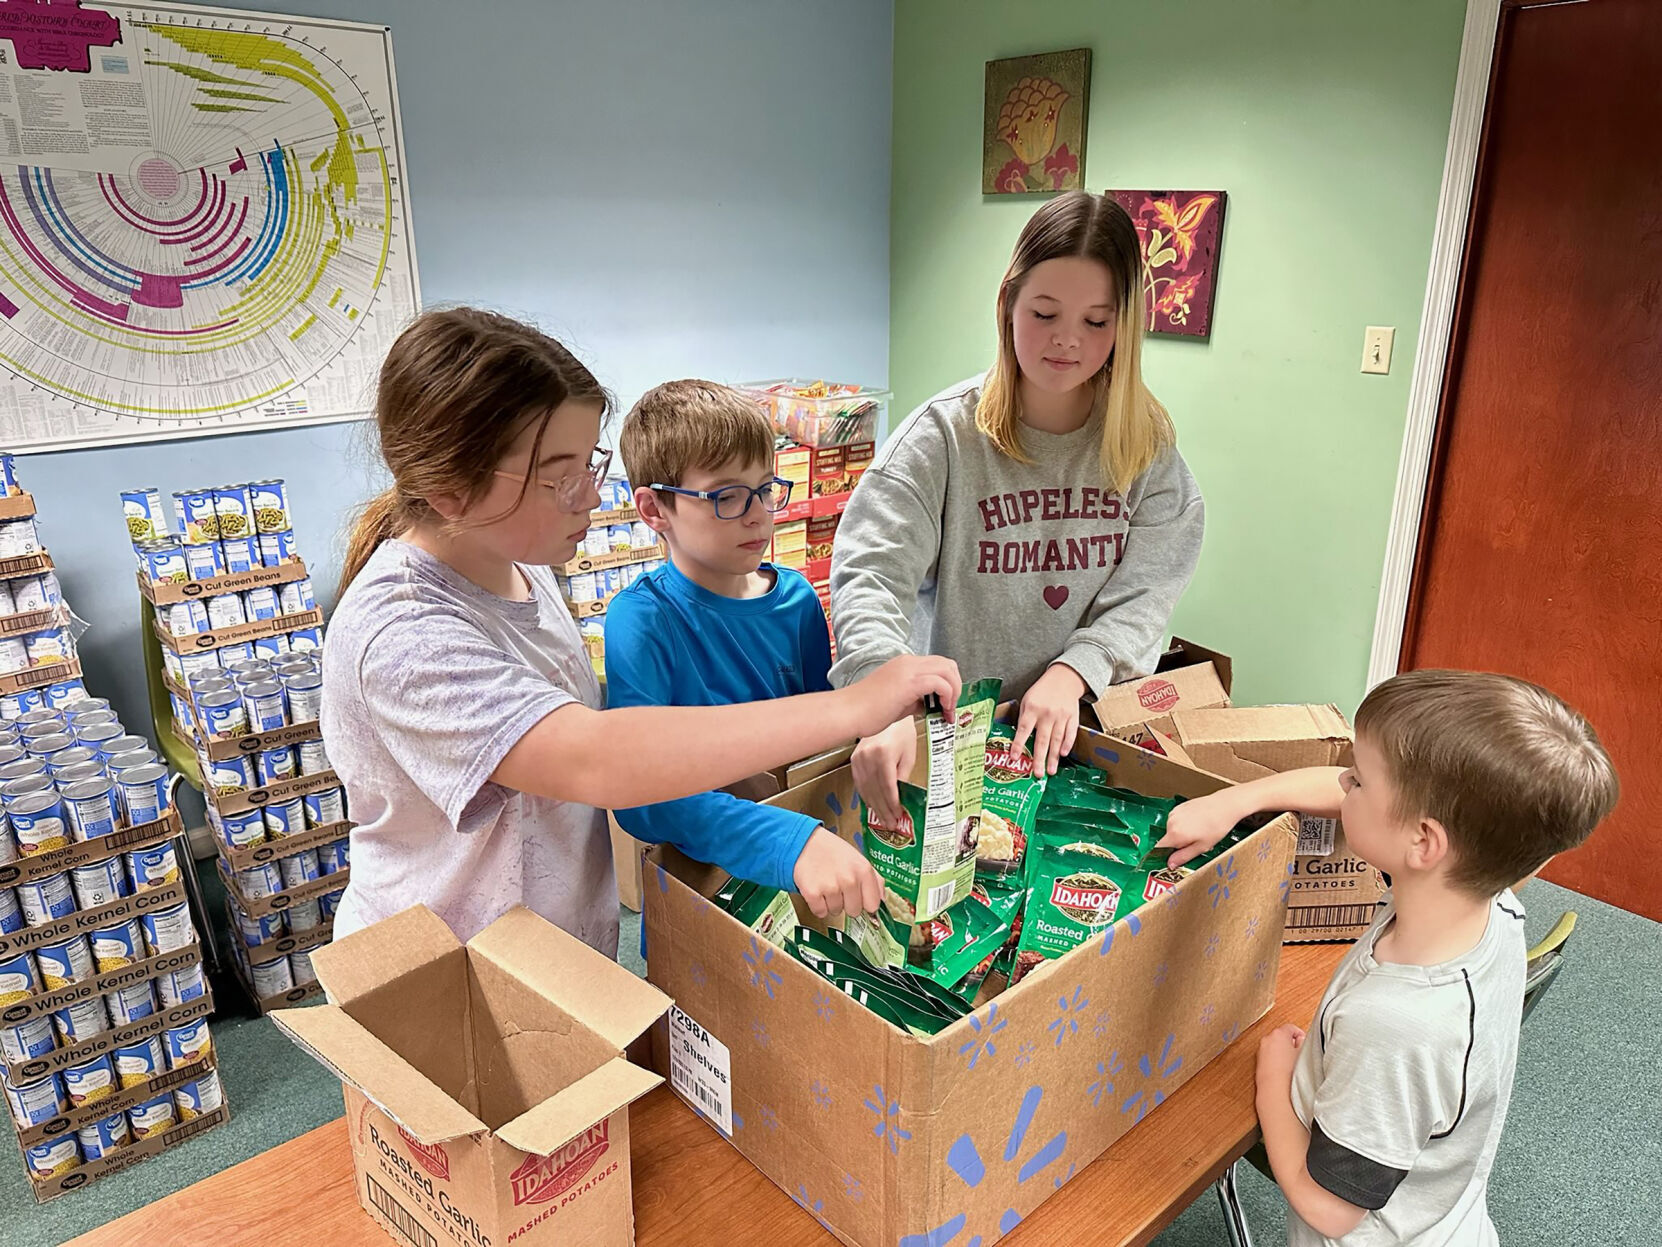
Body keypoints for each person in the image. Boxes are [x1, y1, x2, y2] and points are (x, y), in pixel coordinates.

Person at [321, 309, 958, 951]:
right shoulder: (404, 632)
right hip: (449, 960)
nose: (592, 499)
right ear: (451, 490)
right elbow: (599, 758)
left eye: (589, 466)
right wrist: (854, 705)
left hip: (552, 942)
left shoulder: (518, 562)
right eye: (561, 478)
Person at [1158, 669, 1619, 1245]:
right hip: (1445, 1214)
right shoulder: (1488, 899)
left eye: (1359, 781)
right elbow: (1367, 799)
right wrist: (1240, 798)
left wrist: (1275, 1079)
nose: (1344, 784)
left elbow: (1328, 1209)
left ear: (1423, 843)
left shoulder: (1395, 1027)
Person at [829, 189, 1204, 825]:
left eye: (1096, 321)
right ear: (1008, 306)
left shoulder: (1146, 448)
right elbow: (869, 577)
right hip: (943, 736)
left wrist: (1076, 671)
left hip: (1079, 733)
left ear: (1125, 326)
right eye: (1045, 313)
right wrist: (884, 697)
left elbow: (1149, 592)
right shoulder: (942, 437)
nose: (1067, 342)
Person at [605, 380, 881, 918]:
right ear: (654, 509)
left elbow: (818, 748)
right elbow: (640, 796)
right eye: (726, 496)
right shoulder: (641, 621)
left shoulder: (796, 599)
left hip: (808, 876)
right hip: (708, 886)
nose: (759, 515)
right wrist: (783, 842)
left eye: (765, 489)